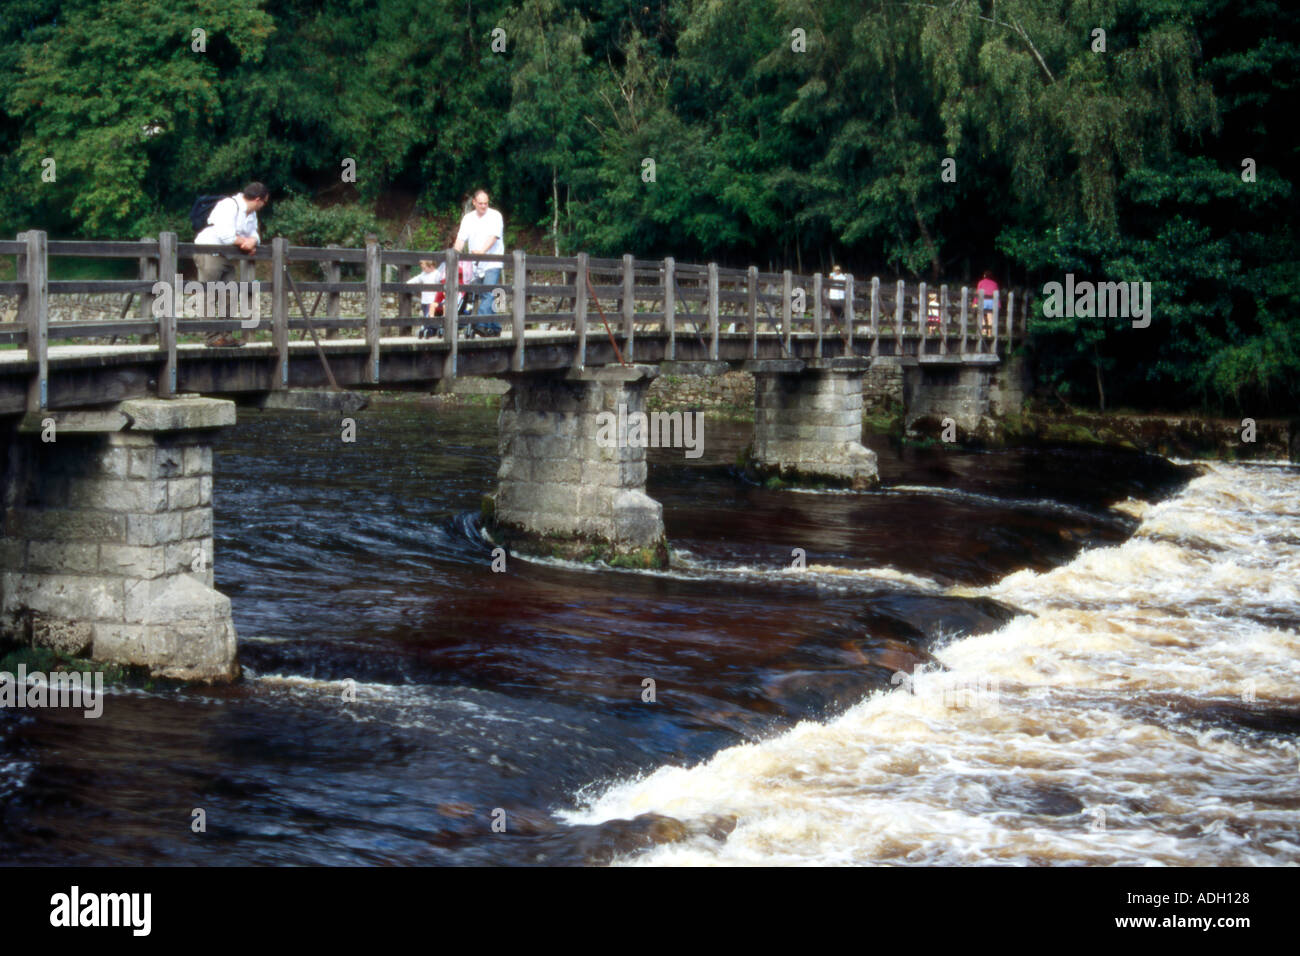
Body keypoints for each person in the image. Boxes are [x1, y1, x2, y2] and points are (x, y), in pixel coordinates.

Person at [194, 182, 269, 347]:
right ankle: (212, 337)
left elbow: (254, 233)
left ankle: (226, 335)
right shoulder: (228, 205)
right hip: (209, 251)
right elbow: (226, 235)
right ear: (258, 200)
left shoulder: (250, 214)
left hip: (226, 255)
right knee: (209, 294)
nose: (263, 206)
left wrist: (252, 241)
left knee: (230, 294)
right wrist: (246, 242)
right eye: (264, 202)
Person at [454, 189, 504, 316]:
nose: (483, 206)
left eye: (486, 203)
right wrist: (453, 256)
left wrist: (482, 251)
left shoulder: (495, 216)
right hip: (475, 263)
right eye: (481, 203)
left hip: (493, 262)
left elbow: (494, 237)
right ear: (474, 202)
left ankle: (481, 323)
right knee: (474, 293)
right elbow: (460, 239)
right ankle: (494, 327)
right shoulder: (468, 218)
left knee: (488, 291)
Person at [406, 256, 474, 337]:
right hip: (436, 301)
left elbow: (458, 297)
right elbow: (418, 279)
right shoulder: (425, 275)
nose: (423, 270)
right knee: (431, 307)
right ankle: (430, 322)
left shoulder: (457, 287)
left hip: (451, 304)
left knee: (444, 306)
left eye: (424, 268)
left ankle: (443, 322)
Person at [975, 270, 999, 336]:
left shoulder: (981, 282)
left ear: (984, 276)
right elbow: (997, 295)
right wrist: (998, 304)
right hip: (991, 301)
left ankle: (984, 330)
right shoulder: (995, 283)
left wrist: (975, 302)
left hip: (983, 300)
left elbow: (978, 293)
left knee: (981, 315)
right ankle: (990, 333)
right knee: (990, 317)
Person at [827, 264, 846, 330]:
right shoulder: (832, 275)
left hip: (839, 296)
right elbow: (829, 282)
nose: (837, 271)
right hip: (833, 295)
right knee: (833, 309)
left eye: (838, 270)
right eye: (835, 270)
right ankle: (833, 324)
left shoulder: (842, 277)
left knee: (839, 310)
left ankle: (840, 324)